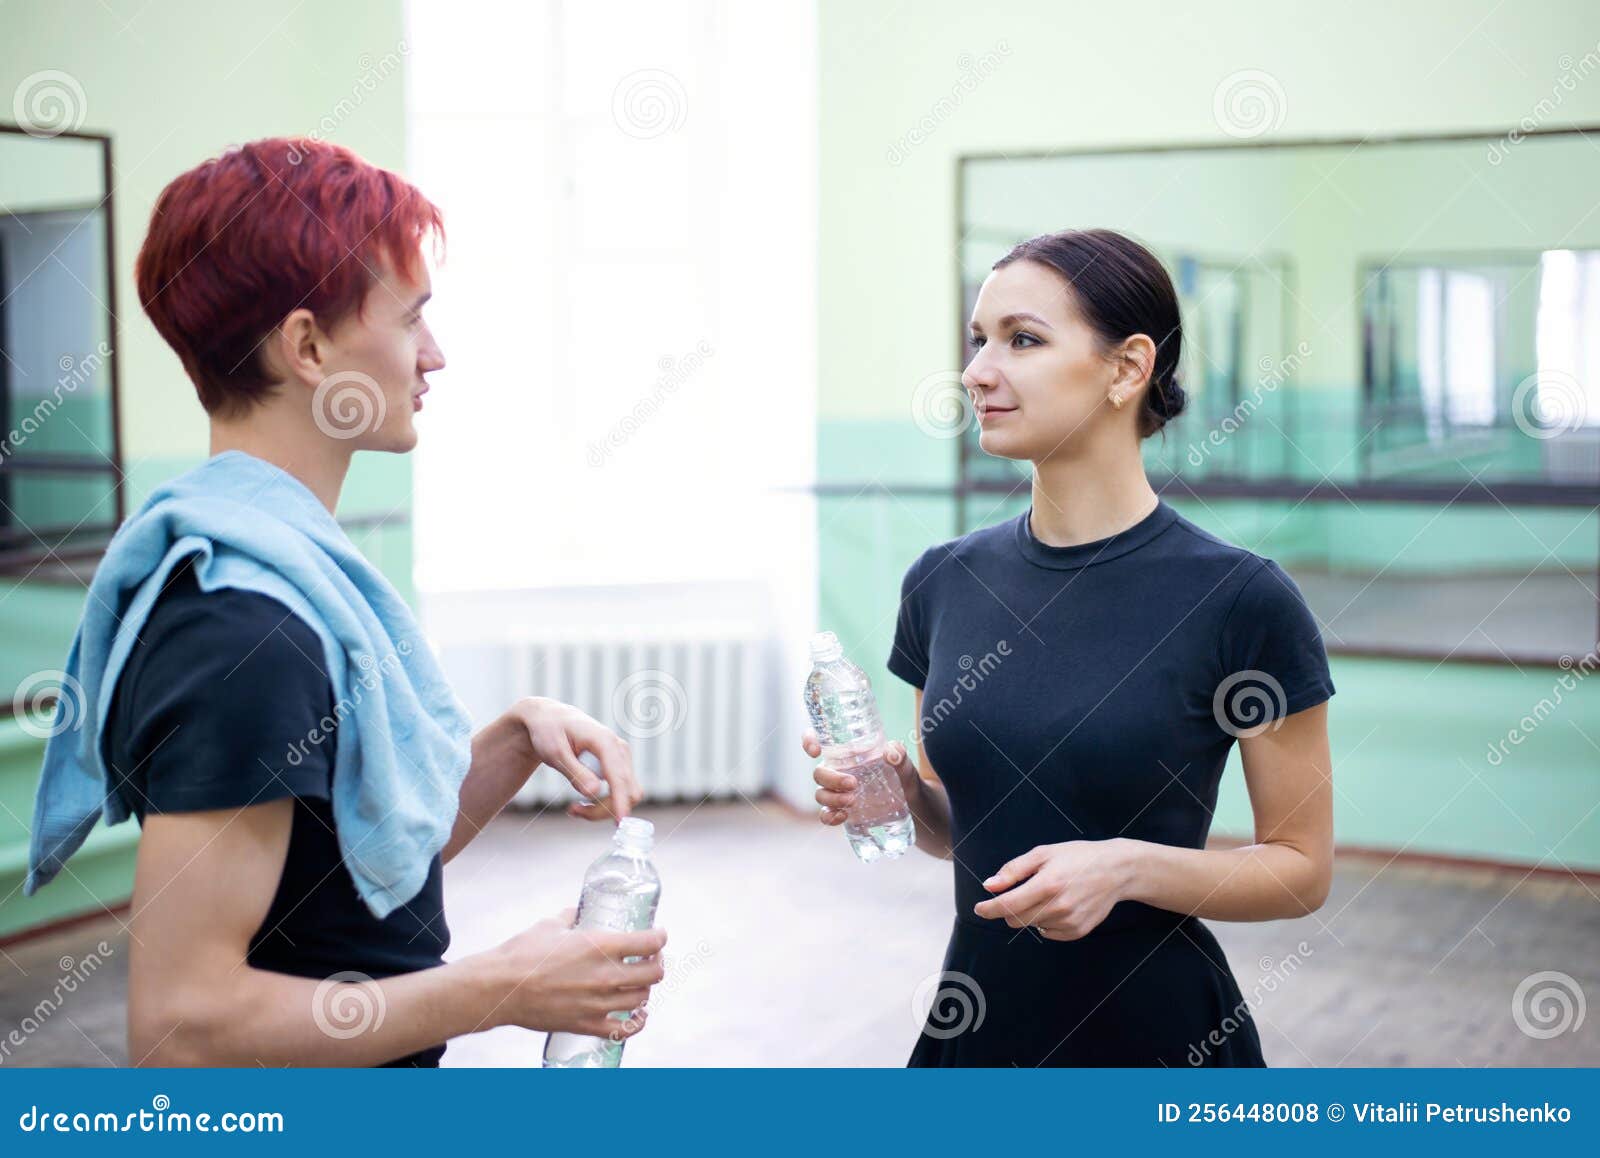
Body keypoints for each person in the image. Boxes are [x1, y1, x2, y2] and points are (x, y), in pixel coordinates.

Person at [100, 138, 665, 1066]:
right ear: (309, 347)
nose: (434, 356)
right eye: (411, 322)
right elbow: (180, 1027)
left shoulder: (296, 577)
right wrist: (502, 988)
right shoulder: (242, 628)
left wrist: (516, 736)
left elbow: (361, 864)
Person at [802, 228, 1335, 1067]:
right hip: (975, 1029)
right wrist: (903, 788)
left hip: (1162, 1043)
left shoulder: (1241, 599)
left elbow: (1300, 871)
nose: (978, 371)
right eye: (978, 340)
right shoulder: (943, 584)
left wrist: (1127, 868)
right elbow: (957, 832)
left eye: (1022, 340)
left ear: (1127, 368)